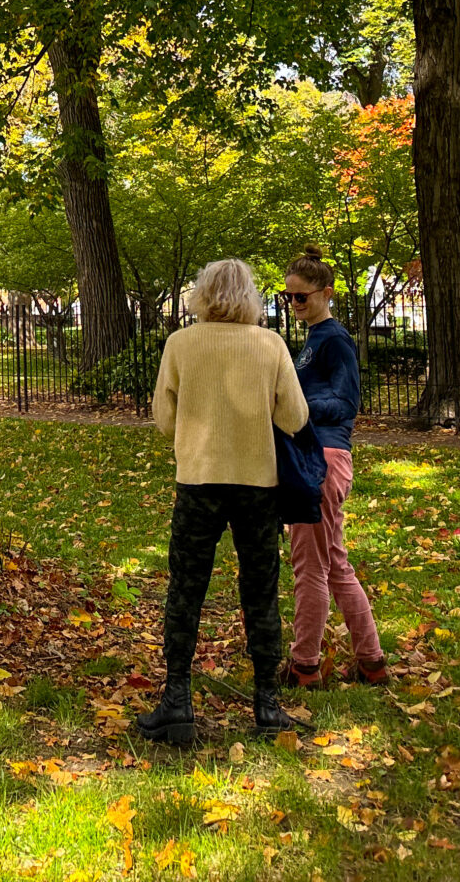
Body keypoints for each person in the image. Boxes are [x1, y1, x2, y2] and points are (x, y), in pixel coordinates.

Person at [137, 257, 311, 746]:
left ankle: (177, 700)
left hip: (198, 482)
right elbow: (295, 418)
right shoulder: (269, 344)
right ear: (250, 296)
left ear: (202, 294)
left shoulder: (181, 345)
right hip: (258, 485)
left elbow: (164, 420)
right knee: (260, 589)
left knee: (185, 590)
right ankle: (267, 703)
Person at [281, 247, 387, 688]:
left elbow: (346, 403)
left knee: (310, 566)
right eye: (287, 297)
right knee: (335, 564)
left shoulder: (335, 339)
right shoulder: (314, 338)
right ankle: (372, 663)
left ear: (326, 293)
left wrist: (293, 405)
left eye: (301, 297)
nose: (293, 305)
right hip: (317, 458)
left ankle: (304, 666)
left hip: (322, 461)